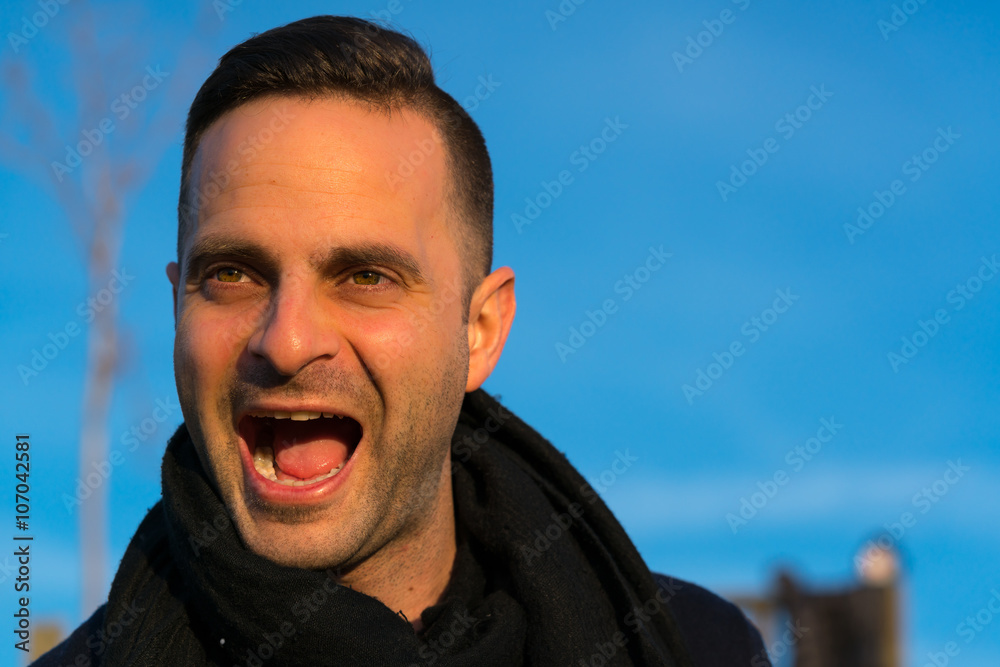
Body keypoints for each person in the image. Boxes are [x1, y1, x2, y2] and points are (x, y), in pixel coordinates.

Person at [36, 16, 770, 667]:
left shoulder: (694, 647)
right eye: (232, 274)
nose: (287, 341)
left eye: (366, 276)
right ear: (176, 307)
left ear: (480, 331)